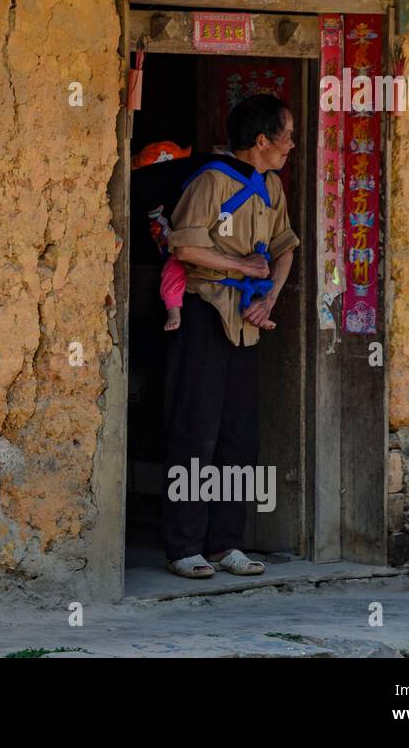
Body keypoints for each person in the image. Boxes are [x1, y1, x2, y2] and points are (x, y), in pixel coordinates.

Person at [162, 94, 299, 579]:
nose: (291, 145)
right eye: (286, 136)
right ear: (261, 140)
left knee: (239, 438)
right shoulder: (211, 181)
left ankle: (226, 543)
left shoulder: (272, 186)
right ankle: (184, 546)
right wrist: (240, 265)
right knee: (195, 432)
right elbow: (184, 245)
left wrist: (270, 300)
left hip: (247, 322)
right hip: (204, 313)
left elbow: (284, 245)